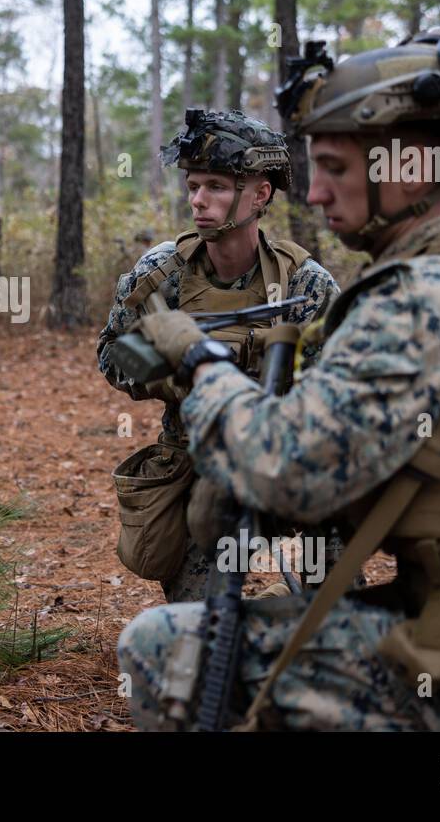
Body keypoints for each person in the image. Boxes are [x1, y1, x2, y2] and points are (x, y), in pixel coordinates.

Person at [118, 21, 440, 731]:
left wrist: (201, 362)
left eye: (335, 168)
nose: (317, 194)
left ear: (409, 167)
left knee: (160, 647)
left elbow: (282, 462)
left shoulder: (424, 294)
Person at [98, 108, 338, 601]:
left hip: (284, 461)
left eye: (217, 187)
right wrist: (175, 375)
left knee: (332, 603)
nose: (199, 201)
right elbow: (112, 356)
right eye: (192, 186)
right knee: (203, 630)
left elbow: (337, 395)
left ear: (260, 195)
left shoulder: (304, 283)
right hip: (195, 464)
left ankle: (310, 611)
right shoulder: (161, 274)